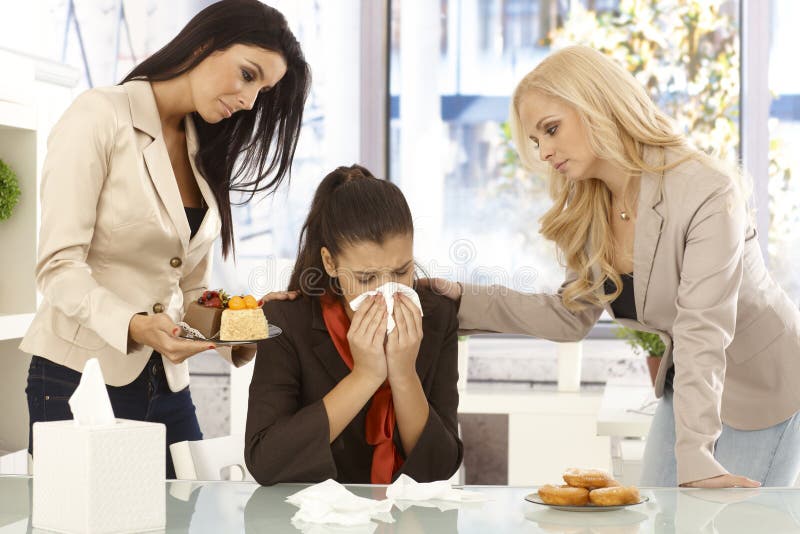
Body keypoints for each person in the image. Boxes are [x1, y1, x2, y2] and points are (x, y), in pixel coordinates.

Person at [426, 45, 800, 488]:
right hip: (690, 383)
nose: (544, 150)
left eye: (550, 129)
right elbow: (569, 316)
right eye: (535, 140)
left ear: (595, 104)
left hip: (763, 382)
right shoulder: (591, 208)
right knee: (663, 515)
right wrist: (462, 298)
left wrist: (696, 455)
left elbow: (703, 329)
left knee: (736, 521)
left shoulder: (706, 191)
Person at [20, 0, 310, 478]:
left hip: (168, 384)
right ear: (203, 43)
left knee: (182, 517)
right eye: (247, 74)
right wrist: (135, 325)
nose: (251, 100)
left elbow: (188, 291)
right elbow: (58, 267)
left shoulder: (204, 144)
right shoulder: (100, 115)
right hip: (79, 377)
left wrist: (242, 325)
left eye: (263, 89)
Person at [245, 165, 463, 485]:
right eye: (366, 278)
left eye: (403, 271)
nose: (386, 289)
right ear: (330, 263)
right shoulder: (287, 321)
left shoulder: (436, 315)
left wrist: (403, 375)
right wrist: (365, 376)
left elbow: (440, 468)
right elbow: (265, 462)